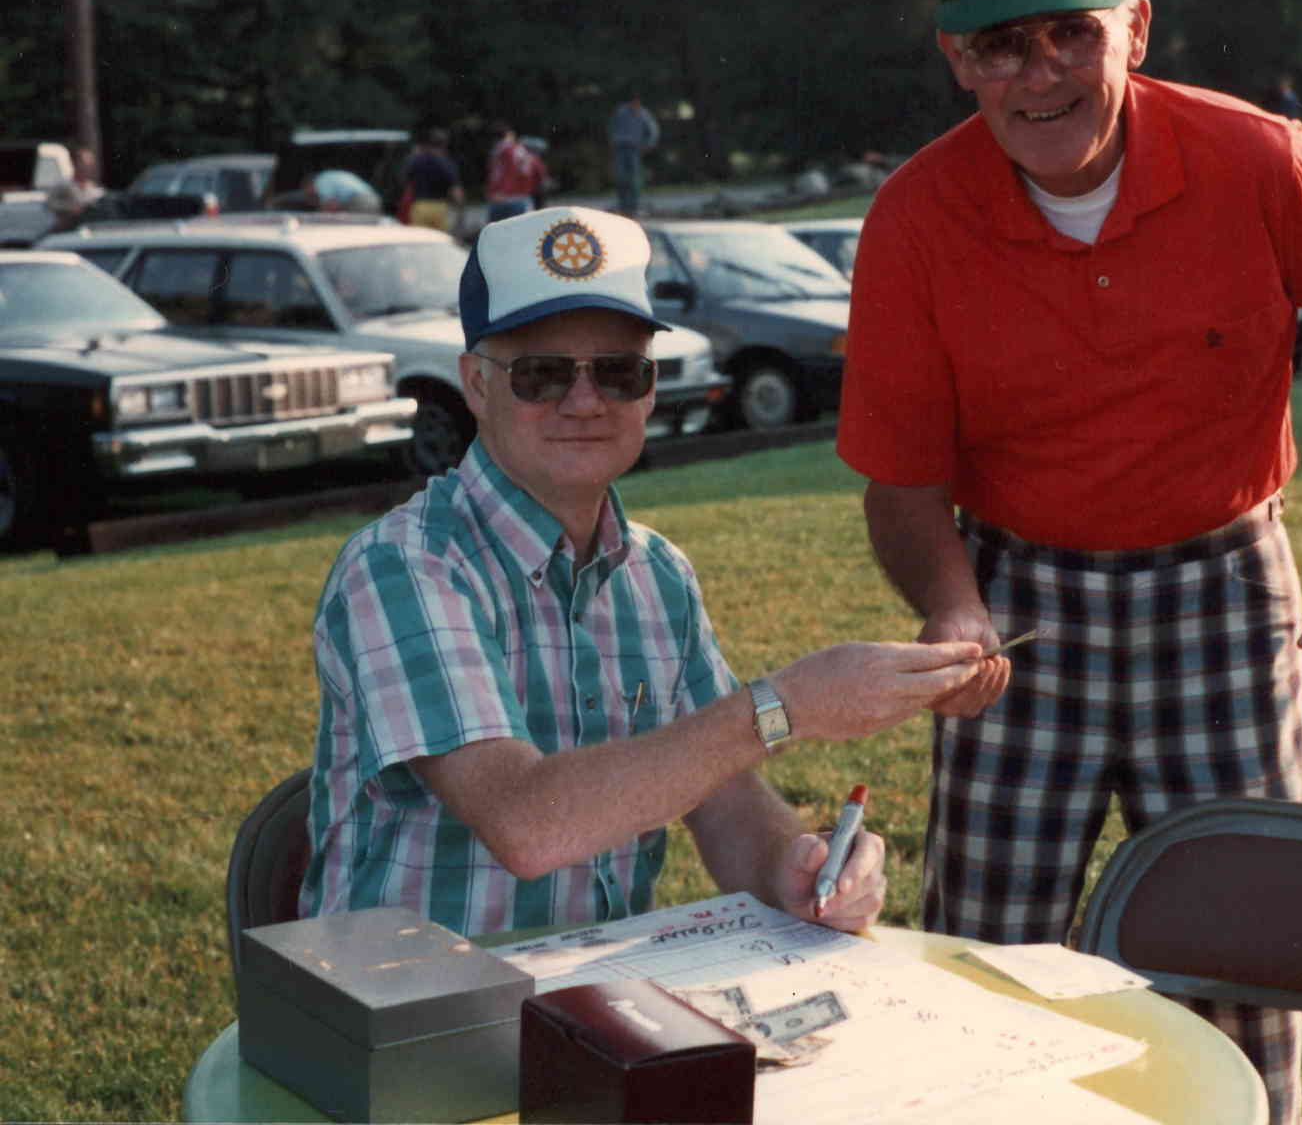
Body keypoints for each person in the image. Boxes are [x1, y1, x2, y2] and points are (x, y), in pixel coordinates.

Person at [835, 0, 1302, 1122]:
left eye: (1072, 31)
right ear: (955, 59)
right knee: (982, 960)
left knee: (1243, 948)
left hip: (1223, 584)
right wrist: (952, 606)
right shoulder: (912, 216)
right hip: (1020, 597)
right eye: (1000, 45)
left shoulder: (1255, 156)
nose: (1040, 74)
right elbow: (901, 480)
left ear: (1137, 25)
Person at [302, 206, 987, 938]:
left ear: (650, 388)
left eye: (618, 372)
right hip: (413, 996)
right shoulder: (404, 566)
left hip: (597, 991)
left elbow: (724, 801)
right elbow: (524, 824)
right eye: (542, 375)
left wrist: (796, 871)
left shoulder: (658, 574)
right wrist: (783, 705)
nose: (585, 402)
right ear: (476, 385)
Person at [402, 128, 463, 233]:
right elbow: (456, 190)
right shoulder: (446, 163)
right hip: (440, 207)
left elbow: (405, 179)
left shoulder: (416, 160)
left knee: (420, 238)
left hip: (420, 206)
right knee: (440, 239)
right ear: (444, 145)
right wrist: (460, 207)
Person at [485, 123, 548, 225]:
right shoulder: (520, 150)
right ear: (509, 134)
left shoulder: (495, 152)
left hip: (497, 199)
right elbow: (536, 172)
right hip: (518, 198)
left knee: (496, 232)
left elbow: (495, 175)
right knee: (522, 231)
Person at [608, 95, 661, 216]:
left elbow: (653, 130)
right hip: (620, 147)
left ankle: (633, 205)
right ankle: (623, 205)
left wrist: (649, 144)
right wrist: (613, 140)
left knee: (634, 178)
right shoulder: (621, 112)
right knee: (621, 176)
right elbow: (612, 126)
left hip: (634, 148)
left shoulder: (643, 114)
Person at [46, 146, 104, 232]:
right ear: (74, 163)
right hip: (66, 228)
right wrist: (69, 208)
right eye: (84, 163)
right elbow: (50, 203)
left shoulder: (94, 189)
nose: (87, 167)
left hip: (88, 228)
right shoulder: (63, 184)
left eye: (89, 164)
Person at [307, 168, 379, 213]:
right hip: (374, 199)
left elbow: (331, 205)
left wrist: (318, 214)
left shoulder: (320, 181)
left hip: (361, 201)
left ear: (309, 184)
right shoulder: (330, 175)